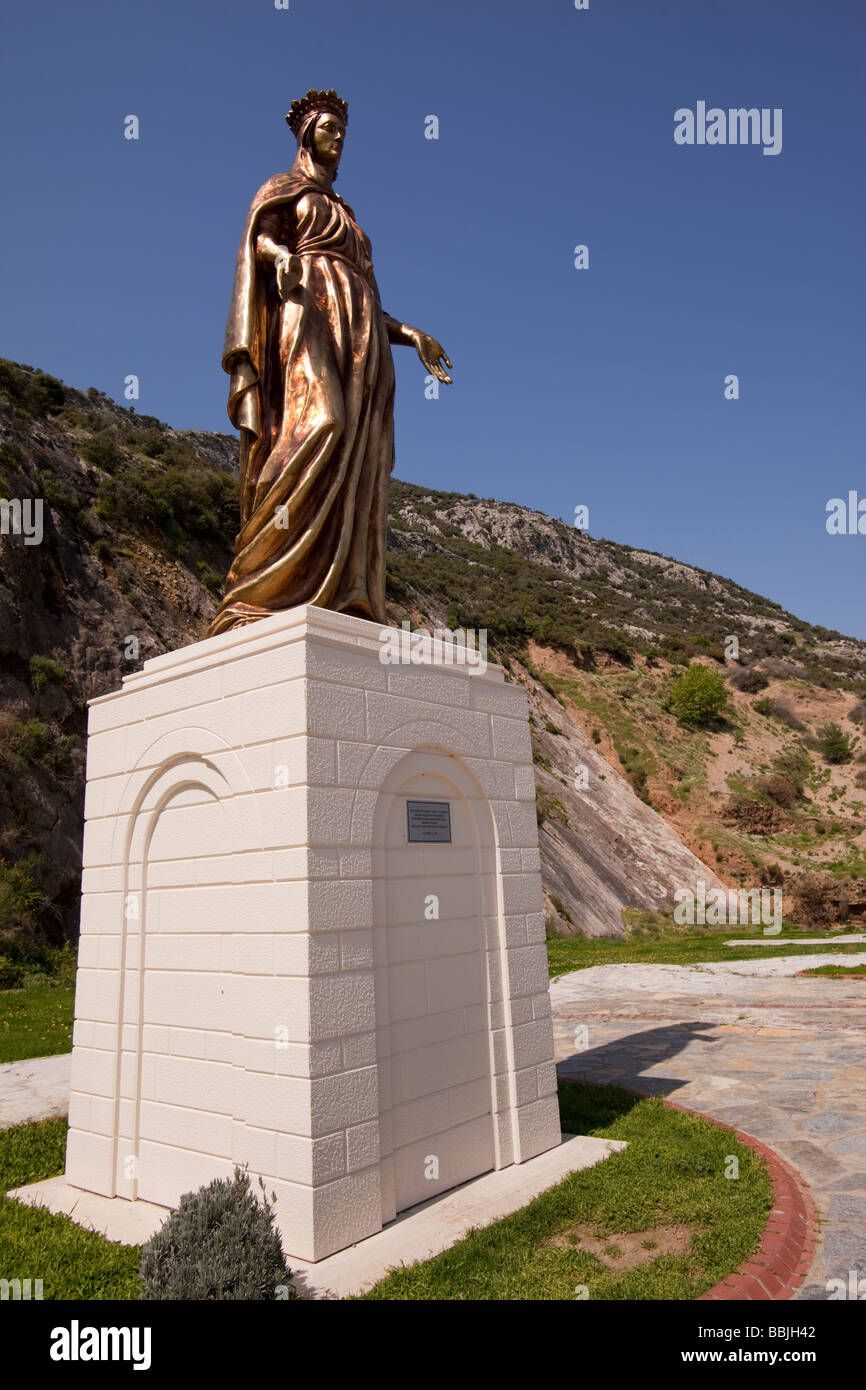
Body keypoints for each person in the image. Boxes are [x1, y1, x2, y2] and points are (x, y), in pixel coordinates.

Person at [210, 89, 452, 635]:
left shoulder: (349, 216)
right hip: (305, 309)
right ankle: (261, 580)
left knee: (362, 453)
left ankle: (344, 591)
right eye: (328, 130)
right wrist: (280, 258)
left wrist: (412, 334)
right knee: (321, 423)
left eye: (343, 131)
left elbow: (367, 290)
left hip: (362, 336)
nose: (337, 139)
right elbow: (260, 240)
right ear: (306, 135)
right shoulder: (284, 189)